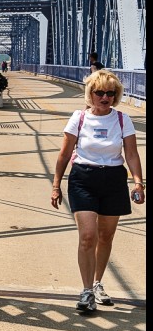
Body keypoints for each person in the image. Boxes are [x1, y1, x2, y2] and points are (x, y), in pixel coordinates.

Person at [51, 69, 144, 314]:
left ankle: (97, 282)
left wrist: (138, 183)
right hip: (83, 178)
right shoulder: (78, 118)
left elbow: (132, 154)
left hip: (113, 179)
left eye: (110, 94)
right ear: (90, 94)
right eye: (100, 93)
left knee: (105, 237)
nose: (105, 98)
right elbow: (63, 154)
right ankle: (86, 291)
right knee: (88, 236)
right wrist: (55, 185)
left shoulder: (123, 120)